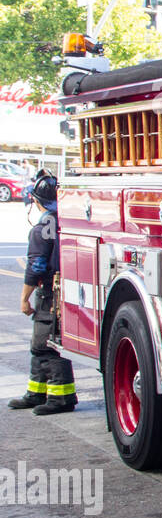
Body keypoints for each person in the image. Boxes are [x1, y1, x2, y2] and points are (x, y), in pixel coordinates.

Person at [9, 173, 76, 414]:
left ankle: (61, 399)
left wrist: (24, 298)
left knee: (48, 343)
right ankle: (37, 393)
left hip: (51, 294)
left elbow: (36, 266)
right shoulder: (68, 222)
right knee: (41, 343)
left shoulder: (41, 229)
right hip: (65, 290)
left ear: (36, 202)